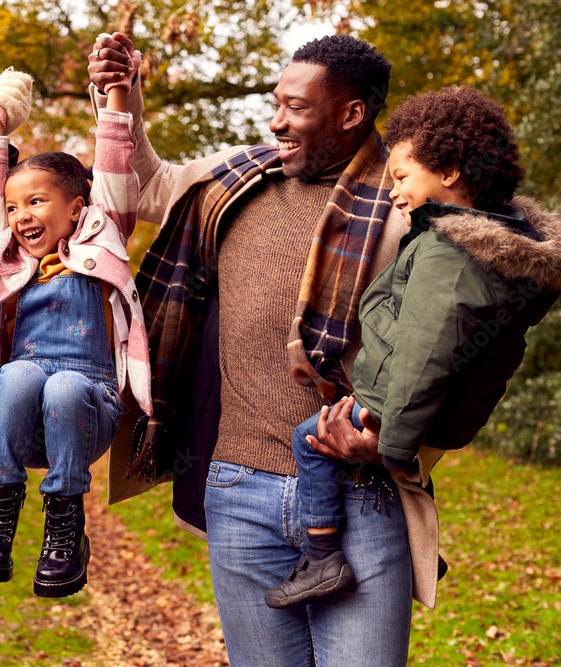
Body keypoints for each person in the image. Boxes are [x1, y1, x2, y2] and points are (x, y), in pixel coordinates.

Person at [89, 34, 427, 664]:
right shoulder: (238, 180)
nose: (277, 120)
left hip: (360, 488)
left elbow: (452, 348)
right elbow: (154, 185)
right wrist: (124, 100)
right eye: (276, 103)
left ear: (352, 114)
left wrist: (401, 439)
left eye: (296, 108)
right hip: (239, 488)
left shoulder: (407, 207)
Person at [265, 86, 561, 610]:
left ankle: (322, 557)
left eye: (402, 177)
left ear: (448, 171)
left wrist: (392, 447)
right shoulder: (485, 245)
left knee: (310, 440)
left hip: (390, 408)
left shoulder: (449, 251)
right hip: (431, 412)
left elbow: (425, 352)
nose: (394, 193)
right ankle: (417, 545)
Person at [0, 57, 151, 598]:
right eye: (13, 206)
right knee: (22, 376)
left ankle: (65, 526)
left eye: (37, 201)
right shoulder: (4, 257)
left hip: (87, 404)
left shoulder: (102, 241)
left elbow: (114, 167)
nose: (20, 215)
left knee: (65, 384)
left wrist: (115, 95)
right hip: (23, 415)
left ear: (78, 210)